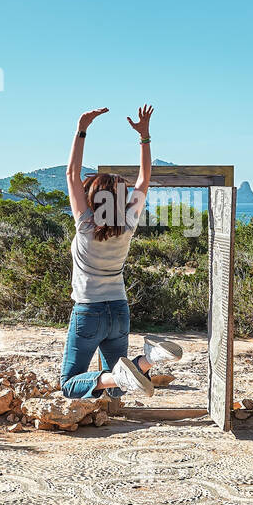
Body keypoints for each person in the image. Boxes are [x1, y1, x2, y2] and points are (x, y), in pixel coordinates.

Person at [60, 103, 182, 400]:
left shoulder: (85, 224)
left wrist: (81, 129)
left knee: (69, 383)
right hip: (119, 309)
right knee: (117, 388)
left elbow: (71, 173)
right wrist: (145, 136)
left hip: (89, 311)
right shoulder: (127, 224)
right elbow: (144, 178)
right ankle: (148, 360)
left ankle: (142, 363)